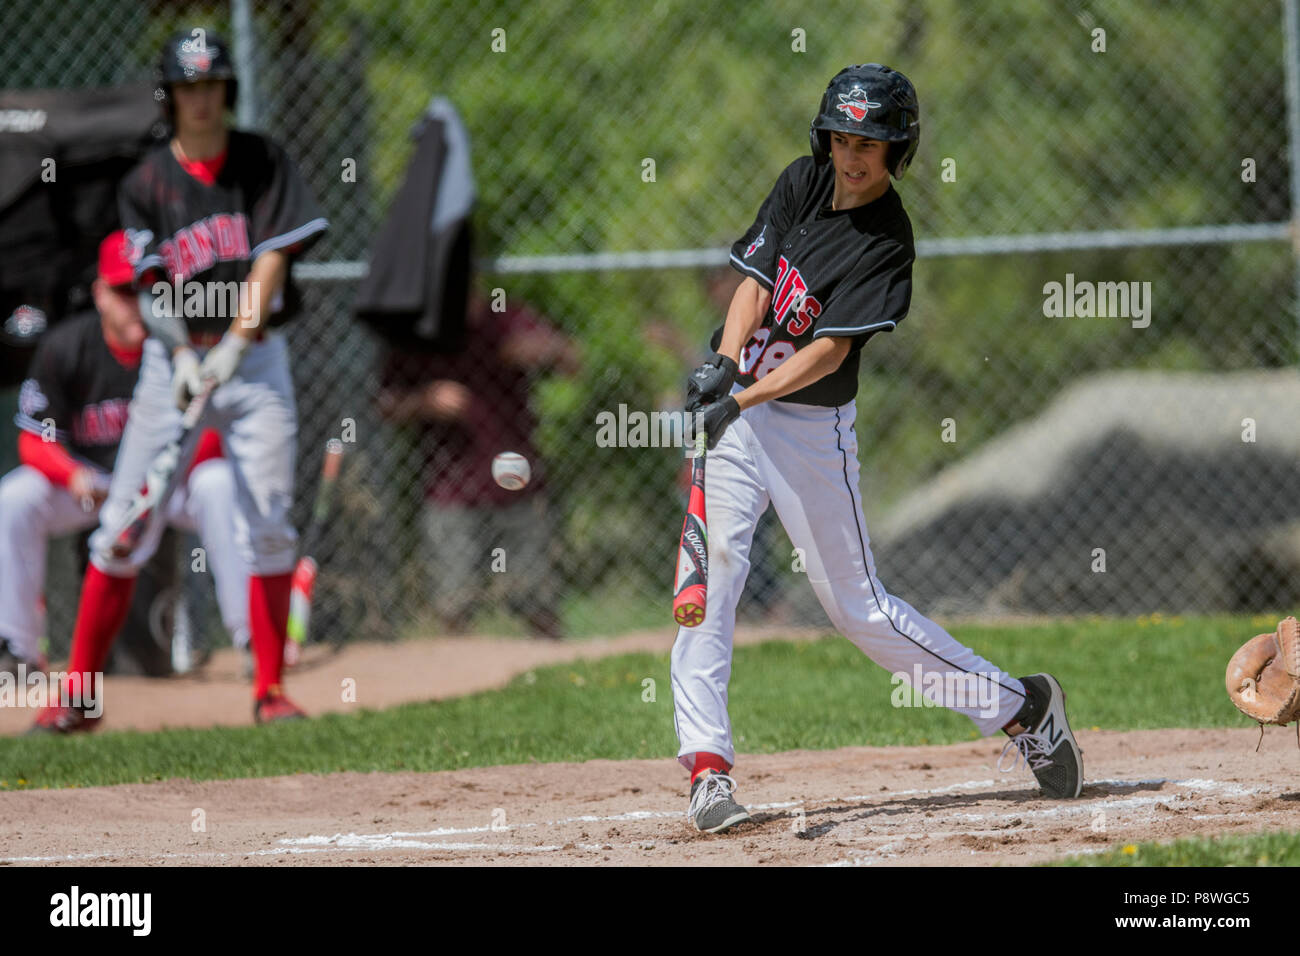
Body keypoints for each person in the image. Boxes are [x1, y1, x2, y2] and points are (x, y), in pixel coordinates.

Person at [675, 64, 1083, 833]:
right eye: (842, 135)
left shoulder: (887, 242)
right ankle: (708, 771)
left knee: (861, 613)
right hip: (742, 416)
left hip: (808, 432)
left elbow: (826, 354)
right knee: (712, 588)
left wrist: (742, 397)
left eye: (870, 141)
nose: (852, 152)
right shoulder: (802, 180)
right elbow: (754, 282)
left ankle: (1022, 708)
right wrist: (725, 365)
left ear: (899, 151)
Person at [29, 29, 328, 732]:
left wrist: (231, 347)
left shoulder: (260, 161)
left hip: (253, 362)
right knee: (124, 526)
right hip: (175, 366)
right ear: (172, 95)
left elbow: (272, 262)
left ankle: (270, 690)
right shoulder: (145, 184)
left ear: (228, 91)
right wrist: (188, 357)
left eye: (213, 85)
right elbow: (153, 285)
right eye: (189, 86)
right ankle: (80, 695)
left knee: (270, 520)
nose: (202, 99)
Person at [0, 231, 248, 680]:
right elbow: (33, 439)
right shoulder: (67, 347)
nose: (136, 302)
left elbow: (211, 440)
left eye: (145, 290)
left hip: (169, 483)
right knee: (14, 498)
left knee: (220, 484)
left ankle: (253, 639)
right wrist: (71, 473)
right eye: (122, 291)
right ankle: (16, 651)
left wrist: (167, 478)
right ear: (99, 294)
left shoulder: (185, 348)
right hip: (92, 483)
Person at [378, 286, 578, 640]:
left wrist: (538, 350)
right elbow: (385, 405)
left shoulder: (506, 318)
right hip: (449, 487)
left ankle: (553, 661)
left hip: (517, 482)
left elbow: (572, 360)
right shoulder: (420, 331)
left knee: (539, 604)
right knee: (453, 606)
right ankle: (462, 677)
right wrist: (426, 400)